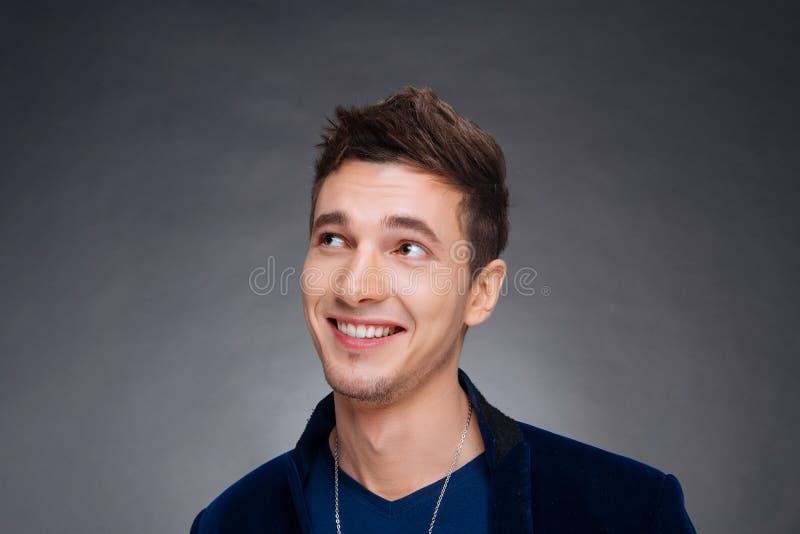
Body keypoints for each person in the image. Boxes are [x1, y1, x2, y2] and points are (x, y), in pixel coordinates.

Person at [190, 86, 696, 533]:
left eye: (408, 247)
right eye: (334, 238)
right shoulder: (228, 523)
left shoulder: (629, 513)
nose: (355, 285)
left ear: (481, 292)